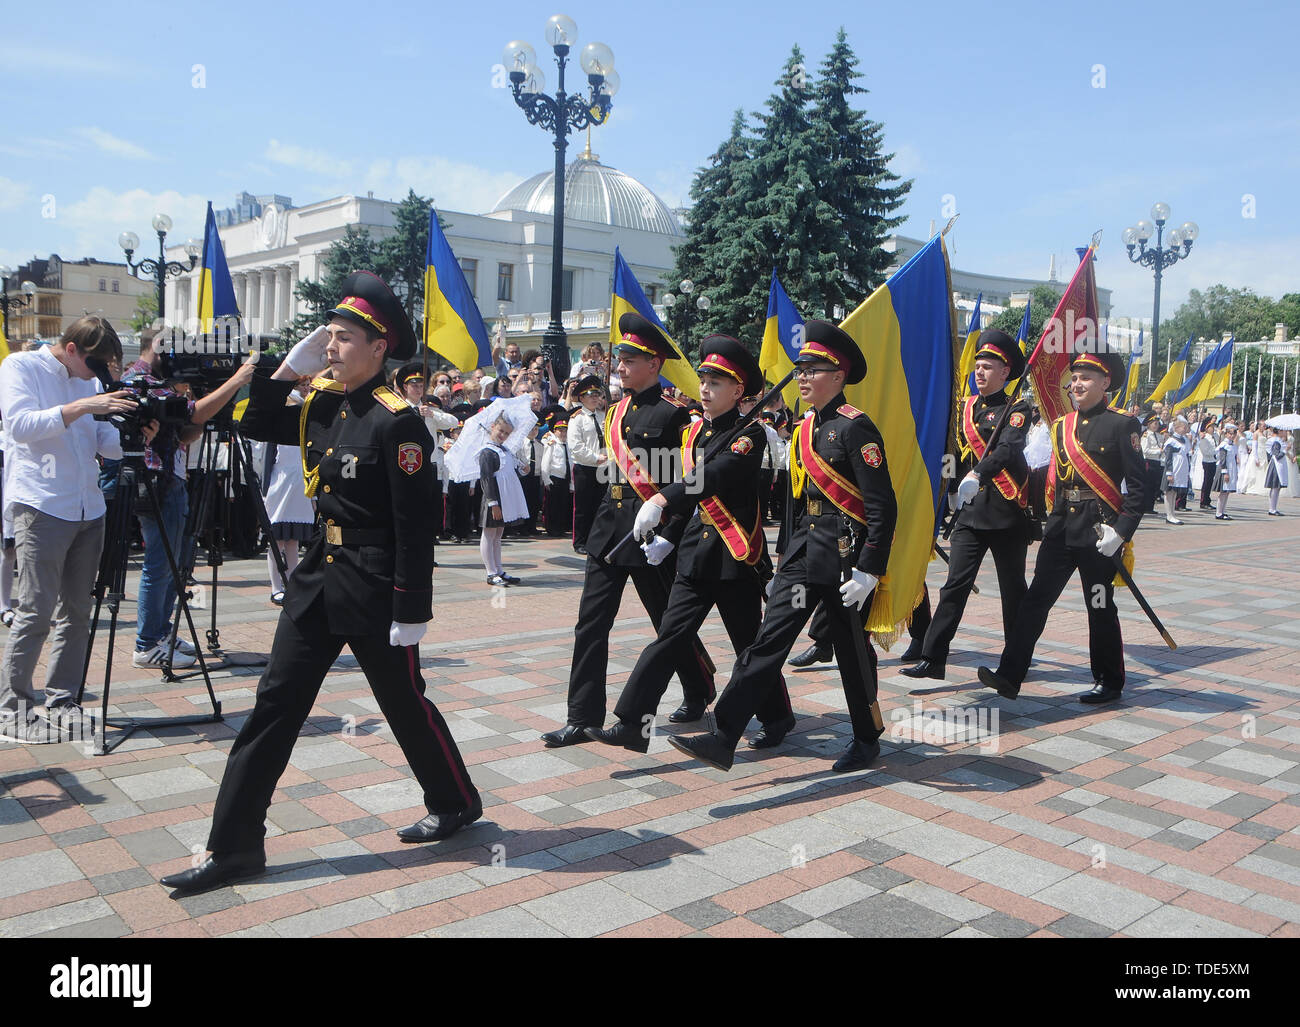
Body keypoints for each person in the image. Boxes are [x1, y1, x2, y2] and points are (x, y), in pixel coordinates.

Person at [160, 272, 479, 896]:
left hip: (374, 582)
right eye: (328, 338)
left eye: (343, 338)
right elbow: (256, 420)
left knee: (403, 701)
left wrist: (413, 606)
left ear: (380, 348)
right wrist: (289, 365)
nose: (330, 347)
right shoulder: (324, 403)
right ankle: (234, 848)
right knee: (275, 705)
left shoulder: (399, 424)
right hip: (315, 580)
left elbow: (417, 526)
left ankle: (455, 800)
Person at [668, 321, 897, 774]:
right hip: (801, 553)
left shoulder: (856, 429)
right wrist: (781, 557)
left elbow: (881, 504)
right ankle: (724, 735)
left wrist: (869, 568)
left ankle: (867, 736)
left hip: (843, 555)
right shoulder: (804, 428)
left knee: (851, 651)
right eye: (802, 368)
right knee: (767, 641)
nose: (804, 377)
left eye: (814, 369)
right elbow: (795, 503)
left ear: (839, 376)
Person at [585, 336, 794, 753]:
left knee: (747, 644)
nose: (705, 388)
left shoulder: (749, 437)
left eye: (717, 383)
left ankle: (777, 716)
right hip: (695, 557)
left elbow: (707, 480)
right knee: (668, 638)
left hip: (734, 557)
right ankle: (632, 723)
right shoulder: (695, 432)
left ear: (738, 391)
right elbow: (695, 497)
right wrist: (668, 534)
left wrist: (661, 501)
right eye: (703, 379)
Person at [540, 313, 717, 747]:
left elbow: (688, 482)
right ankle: (581, 717)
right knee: (590, 624)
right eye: (619, 358)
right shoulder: (614, 412)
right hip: (609, 532)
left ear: (654, 364)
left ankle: (698, 687)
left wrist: (668, 534)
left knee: (667, 624)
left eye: (630, 359)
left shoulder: (678, 417)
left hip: (651, 534)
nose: (620, 367)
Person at [977, 347, 1145, 705]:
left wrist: (1122, 531)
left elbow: (1140, 488)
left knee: (1099, 605)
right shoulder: (1061, 426)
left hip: (1099, 532)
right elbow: (1048, 477)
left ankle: (1108, 680)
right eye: (1074, 379)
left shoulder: (1122, 425)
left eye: (1086, 378)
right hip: (1061, 529)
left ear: (1105, 382)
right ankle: (1010, 675)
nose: (1077, 384)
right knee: (1034, 602)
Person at [0, 317, 134, 742]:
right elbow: (19, 426)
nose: (98, 375)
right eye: (95, 364)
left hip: (87, 507)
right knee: (35, 610)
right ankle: (12, 710)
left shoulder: (88, 380)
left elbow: (104, 445)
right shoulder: (22, 368)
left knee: (76, 612)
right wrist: (83, 407)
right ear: (72, 348)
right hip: (41, 505)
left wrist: (137, 431)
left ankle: (62, 700)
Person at [903, 329, 1030, 681]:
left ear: (1005, 373)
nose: (980, 372)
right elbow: (952, 454)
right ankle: (933, 656)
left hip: (1006, 512)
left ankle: (1015, 660)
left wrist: (978, 473)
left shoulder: (1017, 409)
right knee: (954, 585)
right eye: (977, 366)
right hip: (970, 513)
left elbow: (1008, 449)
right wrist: (951, 486)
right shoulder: (965, 409)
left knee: (1013, 590)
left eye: (988, 367)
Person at [120, 349, 257, 669]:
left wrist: (205, 410)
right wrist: (236, 381)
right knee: (159, 566)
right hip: (157, 485)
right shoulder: (141, 379)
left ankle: (161, 631)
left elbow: (186, 430)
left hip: (175, 481)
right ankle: (146, 643)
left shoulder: (166, 382)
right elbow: (194, 412)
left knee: (178, 566)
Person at [249, 377, 315, 604]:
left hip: (299, 480)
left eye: (307, 385)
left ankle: (292, 583)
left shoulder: (307, 411)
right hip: (280, 480)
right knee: (276, 539)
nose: (305, 389)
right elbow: (265, 457)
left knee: (293, 540)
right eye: (300, 385)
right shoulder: (286, 409)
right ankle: (276, 586)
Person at [567, 375, 607, 555]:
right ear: (581, 398)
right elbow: (576, 446)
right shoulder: (577, 418)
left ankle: (595, 539)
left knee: (600, 506)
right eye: (590, 395)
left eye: (597, 394)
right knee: (583, 507)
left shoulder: (603, 416)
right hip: (585, 467)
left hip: (603, 468)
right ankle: (580, 541)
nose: (594, 398)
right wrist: (595, 457)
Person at [538, 406, 574, 537]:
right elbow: (545, 463)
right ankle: (551, 527)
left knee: (563, 504)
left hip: (565, 478)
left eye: (565, 431)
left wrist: (572, 484)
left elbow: (571, 464)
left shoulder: (568, 446)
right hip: (554, 478)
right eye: (560, 431)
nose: (563, 434)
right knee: (551, 505)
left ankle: (560, 527)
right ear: (554, 431)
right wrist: (546, 479)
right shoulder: (552, 444)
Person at [1162, 415, 1193, 524]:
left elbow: (1188, 452)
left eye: (1185, 427)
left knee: (1174, 492)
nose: (1185, 429)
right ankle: (1168, 515)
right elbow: (1169, 458)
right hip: (1173, 468)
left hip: (1181, 468)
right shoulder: (1171, 441)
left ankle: (1172, 514)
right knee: (1169, 492)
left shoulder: (1184, 439)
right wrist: (1169, 473)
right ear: (1176, 428)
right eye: (1182, 427)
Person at [1140, 413, 1164, 515]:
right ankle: (1146, 506)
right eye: (1154, 423)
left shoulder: (1158, 435)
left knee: (1155, 485)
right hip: (1149, 461)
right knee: (1148, 485)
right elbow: (1145, 450)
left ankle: (1151, 506)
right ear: (1149, 424)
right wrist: (1158, 451)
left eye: (1157, 423)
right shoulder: (1146, 435)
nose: (1156, 425)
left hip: (1157, 462)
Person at [1215, 422, 1239, 520]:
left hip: (1232, 468)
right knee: (1223, 492)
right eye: (1230, 433)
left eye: (1233, 434)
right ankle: (1218, 512)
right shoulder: (1224, 445)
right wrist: (1225, 472)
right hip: (1225, 469)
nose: (1232, 435)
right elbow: (1222, 460)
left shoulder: (1233, 445)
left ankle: (1223, 511)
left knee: (1227, 492)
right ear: (1226, 434)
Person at [1196, 415, 1219, 509]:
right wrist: (1216, 452)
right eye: (1211, 427)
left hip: (1214, 461)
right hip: (1207, 461)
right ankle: (1203, 501)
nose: (1213, 428)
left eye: (1213, 427)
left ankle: (1207, 500)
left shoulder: (1215, 436)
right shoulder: (1205, 438)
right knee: (1206, 482)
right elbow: (1205, 451)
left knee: (1210, 482)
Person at [1264, 426, 1289, 515]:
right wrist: (1286, 450)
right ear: (1279, 431)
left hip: (1277, 465)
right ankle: (1272, 509)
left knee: (1276, 488)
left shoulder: (1278, 440)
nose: (1285, 432)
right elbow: (1277, 455)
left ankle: (1273, 507)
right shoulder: (1275, 441)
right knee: (1275, 487)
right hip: (1276, 466)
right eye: (1283, 430)